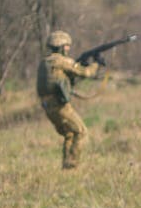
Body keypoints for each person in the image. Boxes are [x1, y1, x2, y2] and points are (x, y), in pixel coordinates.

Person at [36, 30, 99, 169]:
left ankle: (66, 167)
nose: (68, 49)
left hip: (48, 106)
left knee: (69, 133)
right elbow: (86, 72)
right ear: (60, 46)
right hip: (60, 106)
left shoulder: (45, 62)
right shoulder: (61, 61)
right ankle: (72, 165)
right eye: (66, 46)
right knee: (81, 132)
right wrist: (96, 64)